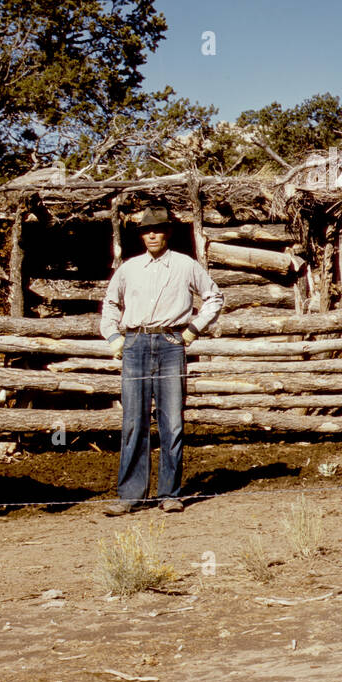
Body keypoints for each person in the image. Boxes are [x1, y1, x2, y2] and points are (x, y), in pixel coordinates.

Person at [99, 205, 223, 514]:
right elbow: (111, 304)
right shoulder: (129, 268)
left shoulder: (185, 265)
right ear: (141, 236)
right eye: (146, 230)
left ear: (168, 232)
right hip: (136, 343)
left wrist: (192, 330)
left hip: (171, 343)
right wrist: (115, 338)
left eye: (158, 229)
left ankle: (169, 493)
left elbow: (214, 297)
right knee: (133, 422)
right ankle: (130, 495)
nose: (152, 235)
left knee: (171, 421)